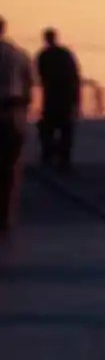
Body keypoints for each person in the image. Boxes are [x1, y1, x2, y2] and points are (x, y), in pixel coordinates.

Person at [0, 16, 34, 234]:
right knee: (10, 169)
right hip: (14, 112)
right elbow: (29, 83)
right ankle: (5, 218)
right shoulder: (19, 53)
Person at [35, 27, 81, 170]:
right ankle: (64, 158)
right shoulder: (66, 54)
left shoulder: (43, 55)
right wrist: (76, 100)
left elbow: (40, 76)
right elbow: (75, 76)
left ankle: (49, 154)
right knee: (65, 129)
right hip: (66, 97)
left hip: (51, 98)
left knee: (47, 128)